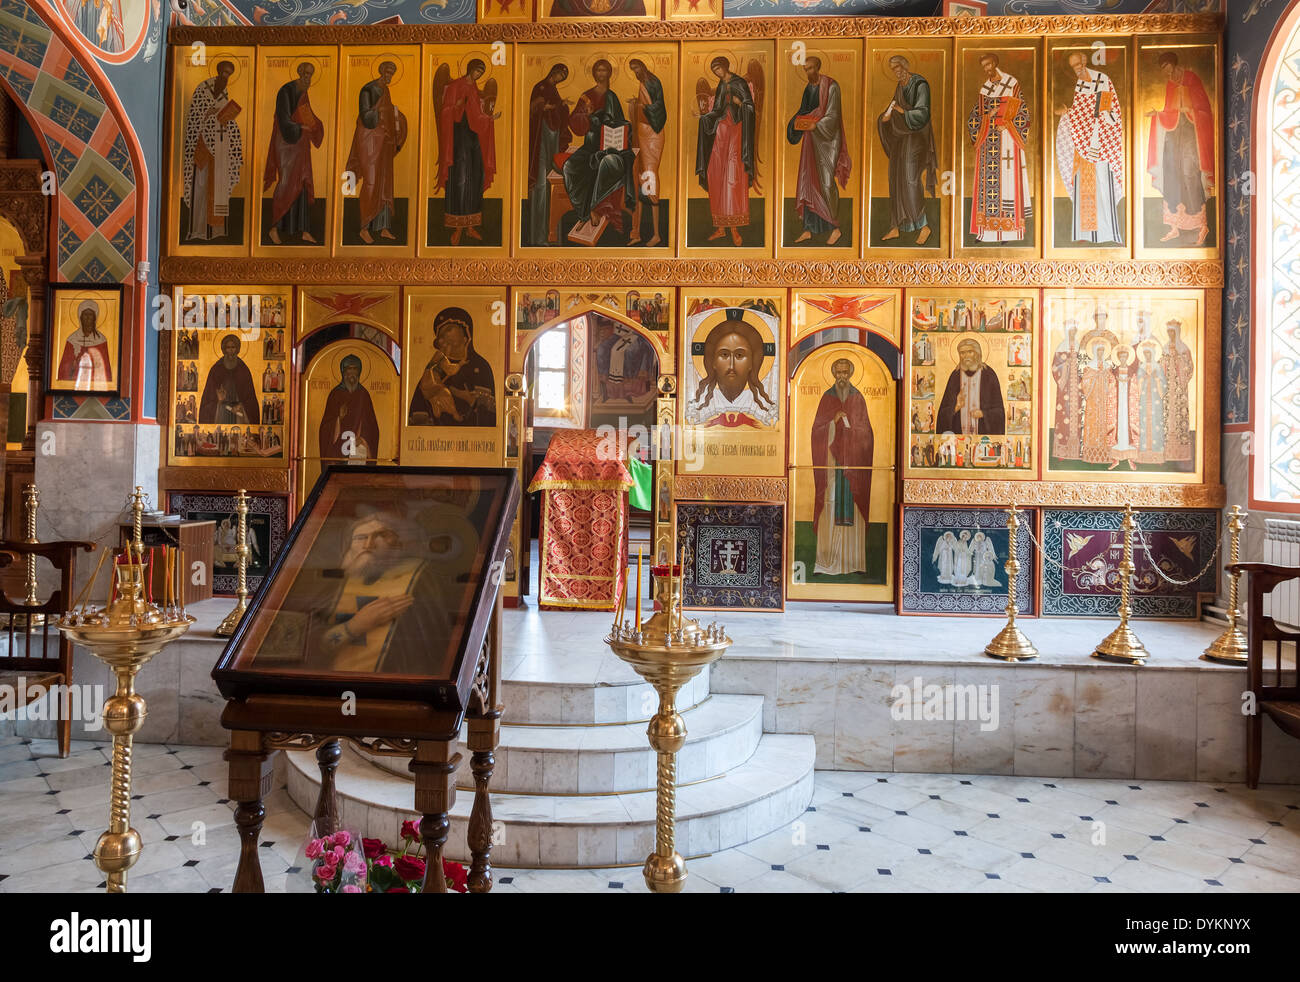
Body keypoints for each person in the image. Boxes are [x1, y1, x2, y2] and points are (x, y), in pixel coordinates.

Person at [290, 509, 455, 676]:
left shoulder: (419, 582)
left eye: (380, 537)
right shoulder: (334, 588)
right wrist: (356, 625)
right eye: (360, 538)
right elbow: (311, 645)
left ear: (396, 545)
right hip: (335, 685)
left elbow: (426, 648)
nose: (368, 545)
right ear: (348, 547)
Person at [811, 357, 874, 576]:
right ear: (833, 373)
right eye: (838, 372)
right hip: (831, 466)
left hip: (853, 468)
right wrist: (831, 423)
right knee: (829, 504)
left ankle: (854, 564)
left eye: (845, 372)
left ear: (851, 373)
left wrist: (853, 433)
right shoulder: (826, 399)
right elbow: (815, 431)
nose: (842, 376)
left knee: (853, 508)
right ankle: (825, 563)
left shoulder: (858, 398)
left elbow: (867, 434)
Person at [1146, 51, 1215, 246]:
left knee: (1189, 172)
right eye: (1165, 72)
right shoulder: (1170, 85)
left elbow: (1205, 109)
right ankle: (1174, 226)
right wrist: (1157, 114)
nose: (1169, 75)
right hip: (1174, 133)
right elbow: (1169, 111)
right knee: (1172, 173)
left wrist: (1190, 110)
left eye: (1169, 70)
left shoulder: (1192, 79)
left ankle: (1202, 225)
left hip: (1191, 131)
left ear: (1175, 65)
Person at [1057, 51, 1125, 245]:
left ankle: (1109, 232)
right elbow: (1077, 112)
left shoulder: (1102, 80)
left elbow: (1112, 111)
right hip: (1082, 141)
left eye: (1078, 63)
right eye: (1073, 66)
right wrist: (1066, 115)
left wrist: (1102, 119)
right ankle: (1086, 233)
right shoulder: (1079, 85)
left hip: (1101, 140)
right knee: (1084, 186)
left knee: (1104, 184)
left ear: (1085, 61)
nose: (1077, 68)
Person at [562, 59, 636, 237]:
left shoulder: (612, 97)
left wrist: (624, 125)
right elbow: (575, 123)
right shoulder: (586, 96)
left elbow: (619, 122)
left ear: (609, 73)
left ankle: (594, 208)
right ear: (594, 73)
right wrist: (586, 116)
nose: (601, 74)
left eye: (604, 70)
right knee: (569, 167)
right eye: (598, 70)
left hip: (611, 148)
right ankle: (586, 212)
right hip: (590, 147)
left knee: (608, 164)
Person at [785, 56, 851, 246]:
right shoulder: (809, 88)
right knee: (808, 180)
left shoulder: (832, 86)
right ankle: (808, 229)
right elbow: (803, 111)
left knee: (826, 182)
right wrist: (794, 124)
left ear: (818, 67)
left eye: (811, 68)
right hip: (810, 139)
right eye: (806, 69)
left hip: (828, 140)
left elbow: (833, 115)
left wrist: (817, 126)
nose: (808, 73)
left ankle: (835, 228)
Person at [967, 53, 1032, 243]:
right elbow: (974, 119)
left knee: (1008, 185)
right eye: (984, 66)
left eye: (988, 64)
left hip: (1008, 140)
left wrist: (1009, 124)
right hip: (989, 143)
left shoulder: (1012, 83)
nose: (987, 69)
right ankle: (986, 232)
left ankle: (1008, 232)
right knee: (988, 186)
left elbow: (1023, 112)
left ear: (995, 63)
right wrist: (988, 116)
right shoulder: (985, 89)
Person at [696, 56, 758, 247]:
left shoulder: (739, 82)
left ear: (725, 67)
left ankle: (734, 229)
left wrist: (741, 103)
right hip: (721, 135)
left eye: (718, 69)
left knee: (732, 178)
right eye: (714, 70)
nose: (716, 73)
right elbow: (717, 109)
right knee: (715, 174)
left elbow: (750, 106)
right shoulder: (722, 85)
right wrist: (705, 117)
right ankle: (721, 228)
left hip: (736, 134)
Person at [436, 59, 498, 246]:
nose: (478, 75)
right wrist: (456, 106)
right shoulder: (456, 86)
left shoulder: (474, 89)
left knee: (475, 179)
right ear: (470, 69)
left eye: (481, 72)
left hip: (473, 141)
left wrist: (489, 118)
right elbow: (445, 111)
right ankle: (457, 229)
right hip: (458, 140)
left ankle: (471, 226)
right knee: (460, 181)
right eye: (477, 71)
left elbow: (477, 115)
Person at [878, 54, 938, 245]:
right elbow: (893, 107)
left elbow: (923, 113)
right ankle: (896, 226)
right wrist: (884, 118)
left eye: (898, 68)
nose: (896, 73)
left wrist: (903, 113)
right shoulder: (899, 87)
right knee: (895, 178)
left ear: (906, 66)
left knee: (911, 180)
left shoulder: (920, 84)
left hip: (916, 139)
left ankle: (924, 226)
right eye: (893, 70)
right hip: (901, 140)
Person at [345, 61, 407, 244]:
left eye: (392, 74)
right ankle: (364, 227)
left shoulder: (386, 90)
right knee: (371, 182)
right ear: (381, 72)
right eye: (387, 73)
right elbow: (366, 116)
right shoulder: (368, 89)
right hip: (370, 140)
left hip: (384, 142)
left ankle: (384, 227)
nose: (389, 77)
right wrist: (382, 112)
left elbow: (388, 114)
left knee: (385, 183)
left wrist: (395, 117)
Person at [182, 61, 244, 242]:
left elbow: (224, 118)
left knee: (218, 188)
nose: (226, 77)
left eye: (229, 75)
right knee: (201, 187)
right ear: (218, 72)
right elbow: (194, 116)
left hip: (219, 147)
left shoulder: (224, 92)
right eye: (224, 73)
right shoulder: (203, 88)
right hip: (201, 147)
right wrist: (207, 114)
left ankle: (216, 231)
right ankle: (198, 230)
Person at [264, 62, 324, 245]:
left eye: (311, 74)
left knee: (303, 183)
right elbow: (283, 119)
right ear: (299, 72)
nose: (308, 77)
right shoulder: (286, 91)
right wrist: (300, 127)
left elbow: (307, 115)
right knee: (286, 183)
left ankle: (304, 230)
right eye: (305, 73)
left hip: (300, 145)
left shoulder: (304, 93)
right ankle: (274, 228)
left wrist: (316, 125)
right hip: (286, 143)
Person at [408, 307, 497, 427]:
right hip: (436, 440)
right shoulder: (436, 367)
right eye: (440, 335)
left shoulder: (481, 366)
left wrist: (470, 401)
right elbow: (419, 410)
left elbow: (490, 415)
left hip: (473, 439)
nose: (444, 336)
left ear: (465, 332)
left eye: (449, 329)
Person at [688, 313, 777, 427]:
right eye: (724, 355)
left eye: (739, 355)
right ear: (713, 362)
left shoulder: (761, 405)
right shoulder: (700, 404)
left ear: (752, 362)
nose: (731, 365)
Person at [526, 64, 572, 246]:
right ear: (552, 71)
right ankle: (538, 236)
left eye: (563, 76)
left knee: (552, 183)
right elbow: (533, 108)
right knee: (541, 184)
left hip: (552, 139)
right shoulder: (541, 87)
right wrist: (542, 107)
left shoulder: (553, 90)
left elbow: (557, 113)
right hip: (542, 139)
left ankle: (552, 235)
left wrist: (561, 106)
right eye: (559, 73)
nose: (560, 77)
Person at [627, 58, 667, 247]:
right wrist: (636, 104)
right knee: (640, 179)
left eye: (637, 68)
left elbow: (658, 108)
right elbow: (644, 105)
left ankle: (656, 234)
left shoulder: (652, 82)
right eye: (632, 69)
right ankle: (637, 233)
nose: (635, 72)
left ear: (643, 67)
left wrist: (640, 107)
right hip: (642, 133)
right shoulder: (643, 83)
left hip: (653, 134)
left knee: (650, 179)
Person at [937, 338, 1005, 436]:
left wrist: (983, 414)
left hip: (983, 435)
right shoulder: (955, 376)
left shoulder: (989, 375)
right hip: (958, 436)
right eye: (962, 353)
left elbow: (999, 412)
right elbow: (942, 414)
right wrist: (956, 407)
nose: (966, 356)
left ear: (978, 353)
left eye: (970, 352)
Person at [319, 354, 380, 463]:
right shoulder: (335, 394)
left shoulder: (363, 395)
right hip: (337, 451)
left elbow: (372, 426)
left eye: (355, 369)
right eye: (348, 369)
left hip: (357, 450)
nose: (351, 373)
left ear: (359, 372)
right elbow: (324, 428)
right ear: (343, 372)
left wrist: (363, 439)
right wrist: (338, 418)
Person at [199, 333, 259, 425]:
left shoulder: (243, 369)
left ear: (237, 349)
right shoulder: (216, 369)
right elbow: (208, 397)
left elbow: (250, 398)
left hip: (239, 412)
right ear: (224, 349)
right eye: (228, 347)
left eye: (233, 347)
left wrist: (241, 406)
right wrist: (218, 399)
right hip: (221, 412)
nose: (231, 351)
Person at [57, 299, 113, 387]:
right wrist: (74, 362)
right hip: (74, 385)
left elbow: (106, 370)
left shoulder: (101, 340)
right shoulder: (72, 339)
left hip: (96, 385)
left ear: (95, 317)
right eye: (85, 314)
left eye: (90, 314)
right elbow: (63, 371)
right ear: (80, 317)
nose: (87, 318)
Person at [1161, 319, 1195, 462]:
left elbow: (1190, 367)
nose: (1170, 334)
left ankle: (1182, 452)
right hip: (1168, 389)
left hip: (1180, 389)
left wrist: (1178, 361)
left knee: (1179, 416)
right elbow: (1161, 366)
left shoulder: (1184, 348)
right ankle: (1166, 451)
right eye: (1168, 332)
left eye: (1172, 331)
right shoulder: (1165, 348)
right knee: (1167, 416)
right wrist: (1167, 362)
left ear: (1178, 332)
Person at [1051, 319, 1083, 461]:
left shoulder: (1080, 347)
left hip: (1078, 388)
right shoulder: (1061, 347)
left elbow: (1085, 367)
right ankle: (1062, 451)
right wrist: (1066, 365)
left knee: (1079, 416)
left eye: (1074, 331)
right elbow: (1055, 368)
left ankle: (1078, 451)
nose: (1072, 333)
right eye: (1070, 331)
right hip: (1065, 391)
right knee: (1064, 416)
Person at [1079, 340, 1114, 464]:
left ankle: (1105, 455)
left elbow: (1112, 382)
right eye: (1098, 350)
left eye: (1102, 351)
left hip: (1104, 401)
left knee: (1104, 426)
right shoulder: (1089, 367)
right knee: (1093, 426)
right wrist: (1096, 377)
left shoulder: (1107, 366)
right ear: (1094, 352)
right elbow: (1084, 383)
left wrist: (1106, 377)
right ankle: (1091, 456)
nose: (1100, 353)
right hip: (1093, 401)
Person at [1109, 345, 1140, 471]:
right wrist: (1115, 381)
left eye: (1125, 357)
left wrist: (1130, 381)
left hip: (1128, 403)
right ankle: (1115, 459)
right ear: (1118, 358)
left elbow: (1136, 384)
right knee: (1118, 427)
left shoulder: (1132, 370)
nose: (1123, 359)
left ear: (1128, 358)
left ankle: (1130, 459)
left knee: (1127, 427)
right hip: (1117, 403)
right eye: (1120, 357)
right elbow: (1110, 383)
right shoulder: (1114, 370)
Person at [1135, 342, 1167, 465]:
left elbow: (1163, 385)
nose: (1147, 355)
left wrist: (1157, 378)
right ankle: (1143, 455)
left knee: (1156, 423)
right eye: (1145, 353)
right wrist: (1143, 378)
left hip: (1155, 401)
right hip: (1144, 400)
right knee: (1144, 424)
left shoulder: (1158, 367)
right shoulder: (1141, 367)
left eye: (1149, 353)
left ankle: (1157, 455)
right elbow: (1137, 384)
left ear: (1153, 354)